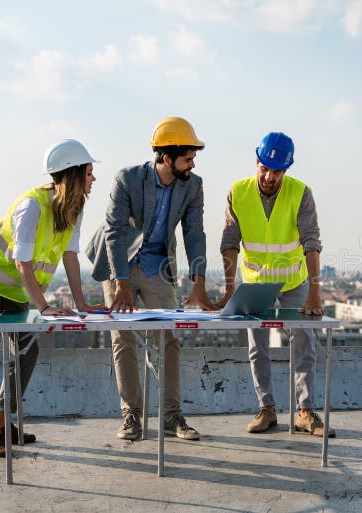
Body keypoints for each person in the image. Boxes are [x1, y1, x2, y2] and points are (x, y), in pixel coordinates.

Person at [0, 139, 105, 457]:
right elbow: (22, 262)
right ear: (73, 174)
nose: (94, 178)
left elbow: (70, 256)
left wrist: (82, 304)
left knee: (27, 350)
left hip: (17, 288)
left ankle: (3, 420)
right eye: (89, 172)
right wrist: (44, 306)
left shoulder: (76, 207)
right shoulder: (32, 206)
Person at [86, 116, 213, 441]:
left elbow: (194, 233)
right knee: (122, 339)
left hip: (158, 265)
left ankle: (172, 417)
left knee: (167, 338)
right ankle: (131, 416)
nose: (193, 163)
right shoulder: (127, 179)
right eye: (188, 158)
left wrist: (199, 281)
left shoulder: (193, 185)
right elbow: (114, 232)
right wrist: (121, 284)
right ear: (167, 158)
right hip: (121, 263)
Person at [218, 131, 334, 437]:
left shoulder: (300, 193)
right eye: (265, 168)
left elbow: (311, 242)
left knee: (305, 342)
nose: (269, 177)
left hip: (294, 281)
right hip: (256, 282)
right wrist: (230, 288)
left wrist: (314, 292)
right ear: (256, 162)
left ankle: (305, 412)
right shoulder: (238, 192)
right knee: (257, 347)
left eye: (277, 171)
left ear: (287, 169)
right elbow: (229, 242)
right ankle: (267, 409)